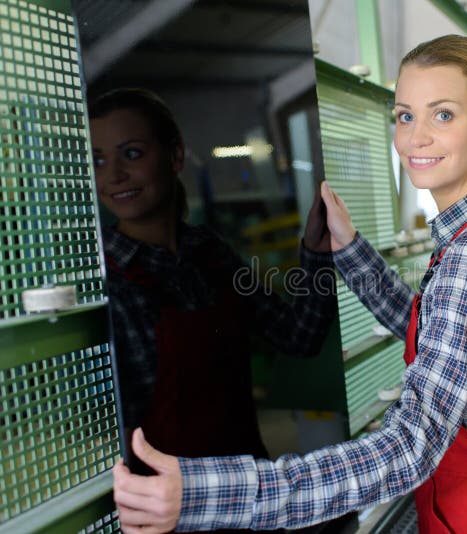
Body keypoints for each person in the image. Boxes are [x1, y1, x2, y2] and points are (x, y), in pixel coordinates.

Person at [112, 35, 467, 533]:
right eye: (405, 116)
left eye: (442, 114)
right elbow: (447, 336)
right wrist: (350, 250)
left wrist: (210, 494)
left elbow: (410, 447)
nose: (415, 138)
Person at [89, 88, 336, 503]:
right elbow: (111, 441)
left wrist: (316, 252)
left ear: (175, 155)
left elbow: (299, 336)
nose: (113, 175)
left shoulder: (211, 253)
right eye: (98, 160)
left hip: (249, 495)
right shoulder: (108, 285)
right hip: (171, 511)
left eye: (131, 153)